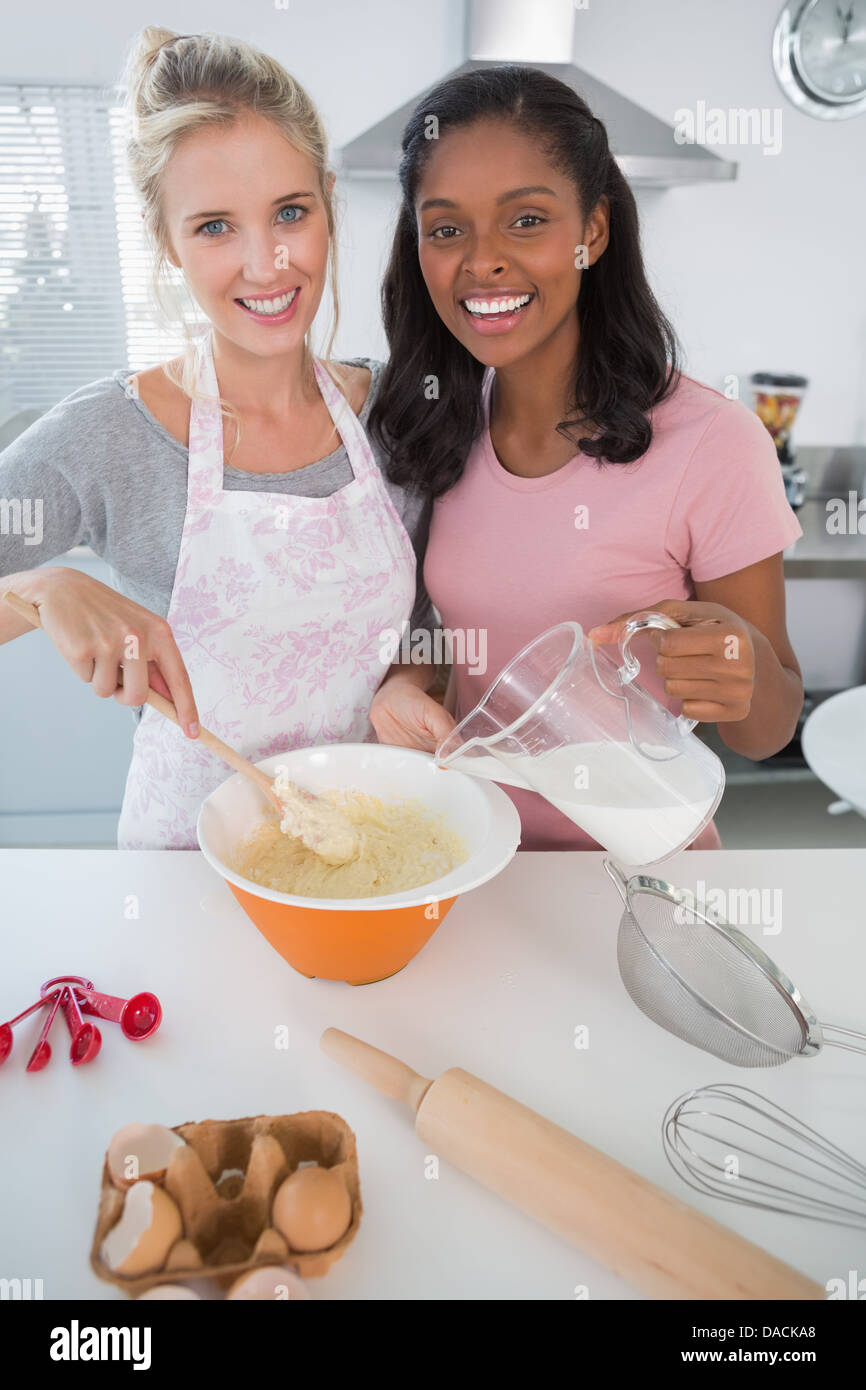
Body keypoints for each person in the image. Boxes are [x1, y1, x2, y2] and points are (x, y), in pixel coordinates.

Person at [0, 27, 439, 850]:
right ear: (166, 240)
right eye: (213, 227)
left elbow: (427, 624)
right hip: (180, 874)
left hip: (371, 851)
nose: (266, 264)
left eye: (289, 213)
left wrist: (414, 680)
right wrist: (42, 586)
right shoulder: (109, 436)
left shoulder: (399, 414)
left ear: (329, 203)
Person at [368, 65, 804, 851]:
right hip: (464, 856)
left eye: (526, 220)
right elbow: (451, 639)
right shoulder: (434, 424)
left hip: (641, 872)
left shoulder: (713, 443)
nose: (482, 261)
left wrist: (740, 668)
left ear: (592, 232)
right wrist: (409, 680)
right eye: (446, 228)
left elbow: (765, 731)